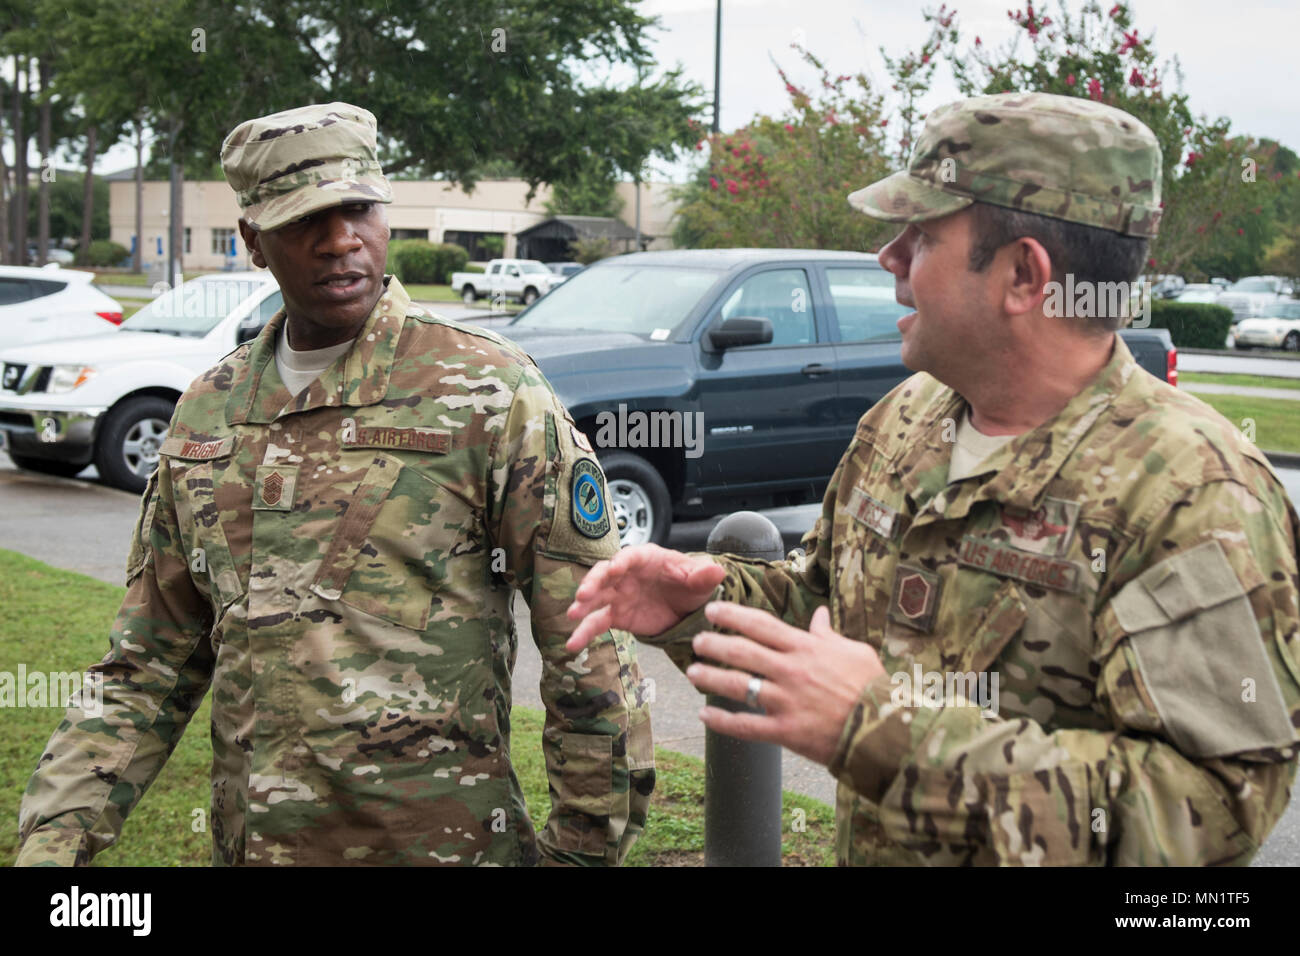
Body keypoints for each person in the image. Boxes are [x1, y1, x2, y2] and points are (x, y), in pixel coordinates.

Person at [567, 92, 1300, 865]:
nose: (889, 258)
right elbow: (823, 601)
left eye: (920, 236)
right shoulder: (906, 421)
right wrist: (705, 601)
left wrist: (888, 731)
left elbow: (1208, 809)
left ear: (1024, 274)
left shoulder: (1194, 492)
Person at [16, 102, 653, 867]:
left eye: (358, 208)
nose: (339, 239)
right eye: (304, 219)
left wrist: (583, 849)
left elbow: (590, 641)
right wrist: (54, 846)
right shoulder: (208, 413)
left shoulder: (489, 393)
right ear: (252, 240)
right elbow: (148, 664)